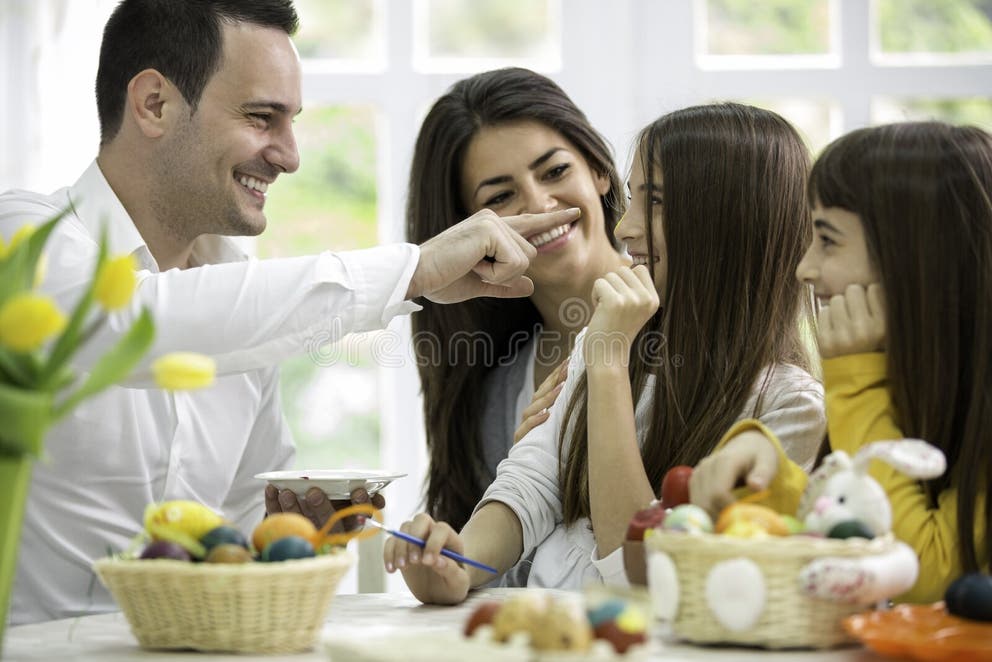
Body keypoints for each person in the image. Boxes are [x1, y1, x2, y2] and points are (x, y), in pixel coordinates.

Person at [0, 0, 577, 625]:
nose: (290, 156)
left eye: (291, 122)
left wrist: (288, 535)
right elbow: (135, 325)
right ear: (154, 104)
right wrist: (413, 269)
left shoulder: (246, 308)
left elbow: (231, 543)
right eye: (260, 118)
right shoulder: (24, 240)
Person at [384, 102, 826, 603]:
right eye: (633, 199)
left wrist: (608, 365)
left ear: (730, 222)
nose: (624, 228)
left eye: (654, 202)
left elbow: (638, 575)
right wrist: (459, 563)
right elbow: (532, 483)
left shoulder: (791, 407)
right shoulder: (606, 341)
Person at [690, 121, 992, 603]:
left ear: (916, 255)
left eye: (828, 240)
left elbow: (924, 576)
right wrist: (770, 479)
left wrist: (857, 384)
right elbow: (855, 520)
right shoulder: (916, 379)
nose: (804, 268)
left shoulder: (866, 376)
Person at [406, 68, 627, 544]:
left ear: (599, 171)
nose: (540, 205)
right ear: (466, 233)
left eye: (555, 171)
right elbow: (489, 569)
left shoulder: (693, 323)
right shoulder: (491, 393)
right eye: (502, 196)